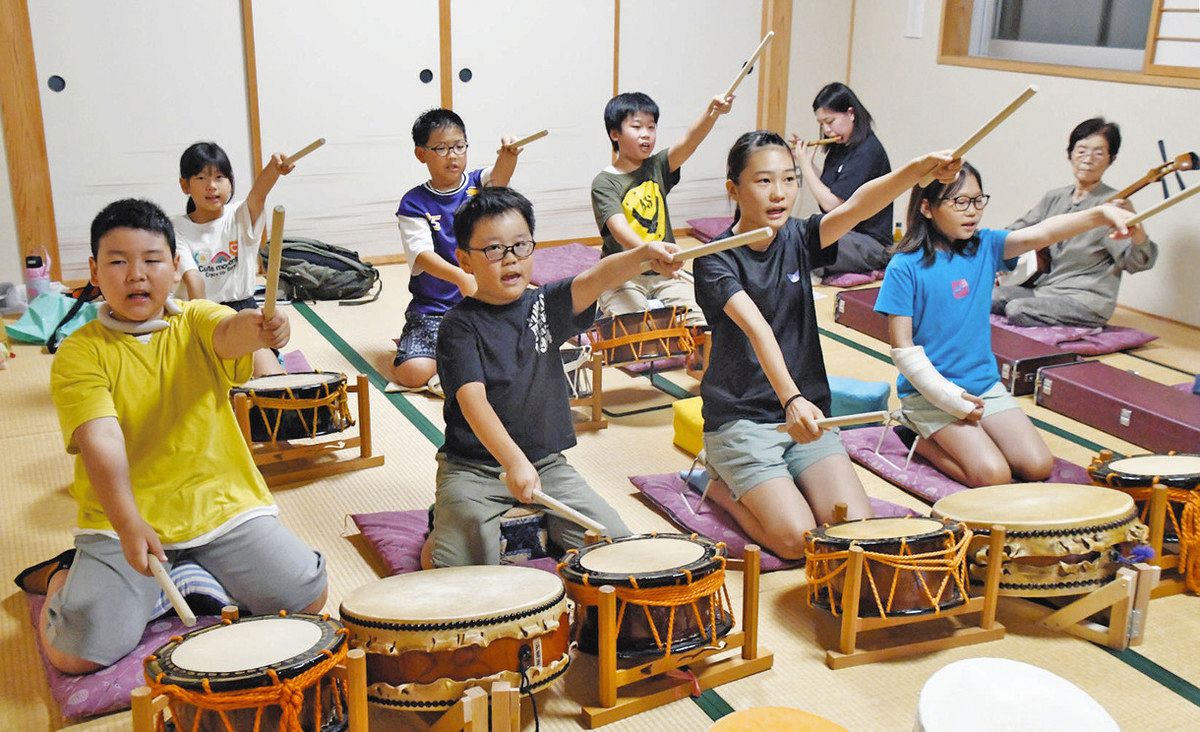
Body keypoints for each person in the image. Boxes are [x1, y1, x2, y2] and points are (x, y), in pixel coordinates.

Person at [43, 199, 327, 674]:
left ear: (176, 267)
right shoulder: (79, 353)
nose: (137, 275)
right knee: (76, 653)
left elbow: (230, 333)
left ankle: (192, 575)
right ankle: (61, 576)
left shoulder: (195, 319)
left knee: (306, 597)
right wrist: (128, 522)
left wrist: (262, 328)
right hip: (124, 517)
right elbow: (101, 440)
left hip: (220, 503)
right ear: (94, 271)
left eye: (152, 260)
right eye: (118, 261)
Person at [693, 130, 961, 560]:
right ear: (734, 189)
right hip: (742, 419)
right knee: (796, 541)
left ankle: (777, 484)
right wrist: (792, 399)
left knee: (854, 530)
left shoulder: (799, 237)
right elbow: (758, 329)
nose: (779, 193)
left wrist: (917, 170)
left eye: (789, 179)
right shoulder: (714, 258)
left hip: (810, 416)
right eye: (764, 181)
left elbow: (858, 206)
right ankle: (719, 486)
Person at [427, 186, 681, 567]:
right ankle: (440, 528)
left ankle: (546, 526)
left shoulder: (543, 305)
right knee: (457, 568)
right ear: (464, 260)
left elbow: (596, 277)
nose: (510, 259)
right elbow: (472, 401)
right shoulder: (458, 325)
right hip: (473, 469)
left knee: (614, 544)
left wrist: (643, 255)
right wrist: (513, 462)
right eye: (493, 250)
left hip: (546, 465)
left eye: (520, 246)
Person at [876, 162, 1139, 487]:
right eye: (960, 202)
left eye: (978, 200)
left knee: (1037, 466)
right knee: (994, 476)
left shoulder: (986, 245)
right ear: (927, 208)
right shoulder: (904, 266)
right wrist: (948, 398)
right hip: (931, 396)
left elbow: (1044, 232)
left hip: (984, 386)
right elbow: (902, 349)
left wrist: (1099, 214)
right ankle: (914, 435)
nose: (972, 211)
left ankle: (958, 438)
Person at [393, 108, 522, 393]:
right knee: (411, 373)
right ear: (421, 154)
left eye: (459, 146)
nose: (452, 155)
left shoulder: (478, 184)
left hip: (484, 305)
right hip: (435, 309)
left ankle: (459, 367)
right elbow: (422, 256)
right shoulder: (414, 203)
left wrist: (509, 155)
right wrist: (461, 278)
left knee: (521, 351)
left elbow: (499, 176)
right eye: (441, 148)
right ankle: (461, 366)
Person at [992, 118, 1157, 327]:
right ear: (1070, 154)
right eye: (1081, 151)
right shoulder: (1055, 198)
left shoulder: (1112, 207)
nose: (1088, 159)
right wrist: (1000, 258)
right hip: (1045, 289)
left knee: (1017, 310)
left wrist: (1138, 232)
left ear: (1111, 159)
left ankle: (1085, 328)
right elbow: (1017, 230)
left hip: (1085, 299)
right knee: (990, 297)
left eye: (1098, 153)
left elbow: (1136, 262)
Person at [590, 91, 732, 325]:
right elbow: (619, 229)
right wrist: (651, 251)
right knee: (634, 330)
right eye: (637, 127)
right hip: (622, 276)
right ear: (615, 133)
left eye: (651, 127)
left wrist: (712, 112)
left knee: (699, 323)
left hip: (664, 273)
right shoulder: (604, 183)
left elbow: (690, 141)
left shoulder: (657, 166)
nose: (646, 134)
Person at [172, 141, 293, 376]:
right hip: (200, 312)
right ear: (185, 185)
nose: (211, 186)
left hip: (243, 310)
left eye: (219, 177)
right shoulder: (176, 228)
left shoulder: (239, 216)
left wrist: (274, 168)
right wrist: (202, 328)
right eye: (201, 178)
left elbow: (259, 194)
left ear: (230, 183)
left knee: (271, 382)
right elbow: (193, 280)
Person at [793, 82, 893, 276]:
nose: (826, 130)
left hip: (870, 243)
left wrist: (805, 167)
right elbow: (829, 188)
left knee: (804, 241)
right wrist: (806, 162)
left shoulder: (868, 151)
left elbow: (833, 205)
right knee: (793, 231)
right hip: (843, 233)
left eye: (830, 121)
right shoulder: (840, 147)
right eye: (821, 124)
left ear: (851, 113)